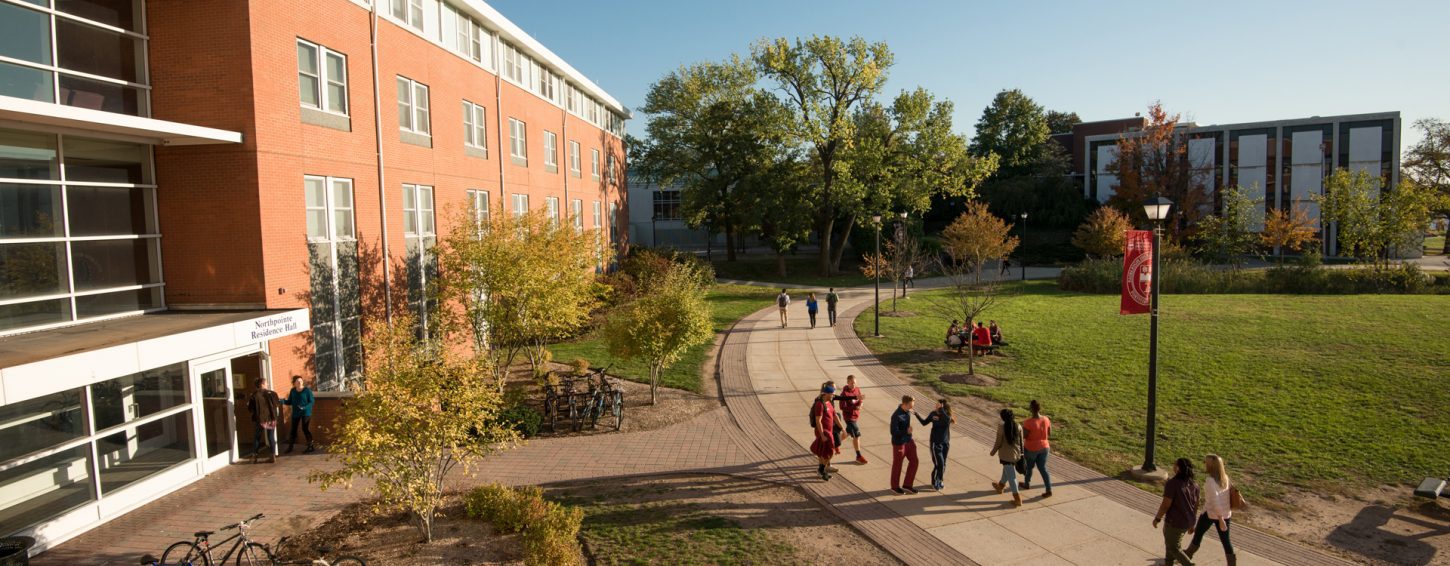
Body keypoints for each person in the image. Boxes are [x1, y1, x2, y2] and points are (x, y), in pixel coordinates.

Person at [1186, 455, 1236, 564]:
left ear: (1212, 466)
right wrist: (1222, 517)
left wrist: (1220, 518)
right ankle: (1232, 564)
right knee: (1226, 541)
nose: (1205, 464)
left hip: (1210, 514)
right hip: (1226, 513)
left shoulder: (1210, 481)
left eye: (1206, 463)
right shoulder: (1225, 478)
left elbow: (1215, 500)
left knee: (1198, 535)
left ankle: (1187, 556)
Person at [1153, 458, 1201, 566]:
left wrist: (1157, 518)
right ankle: (1168, 564)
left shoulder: (1172, 484)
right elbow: (1196, 505)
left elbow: (1165, 505)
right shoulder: (1195, 485)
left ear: (1178, 468)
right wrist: (1193, 523)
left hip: (1174, 522)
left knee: (1174, 547)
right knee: (1170, 543)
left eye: (1174, 465)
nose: (1173, 466)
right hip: (1187, 521)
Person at [914, 399, 954, 491]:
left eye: (938, 404)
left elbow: (947, 420)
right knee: (938, 463)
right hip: (935, 443)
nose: (936, 405)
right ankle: (934, 481)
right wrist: (916, 414)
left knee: (943, 464)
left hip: (945, 443)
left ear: (943, 406)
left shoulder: (946, 416)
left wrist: (942, 410)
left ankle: (940, 480)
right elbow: (924, 423)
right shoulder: (933, 414)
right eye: (936, 404)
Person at [989, 408, 1024, 507]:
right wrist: (1022, 454)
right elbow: (1021, 442)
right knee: (1007, 470)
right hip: (1016, 454)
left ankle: (1017, 499)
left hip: (1005, 455)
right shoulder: (1019, 426)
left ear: (1002, 417)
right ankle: (1000, 486)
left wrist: (993, 452)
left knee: (1012, 477)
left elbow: (998, 442)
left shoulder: (1001, 426)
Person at [246, 377, 282, 464]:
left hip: (260, 419)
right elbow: (277, 404)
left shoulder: (254, 395)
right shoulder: (273, 394)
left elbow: (250, 409)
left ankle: (254, 456)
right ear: (262, 384)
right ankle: (272, 455)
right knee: (271, 437)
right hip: (271, 418)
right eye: (266, 383)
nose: (268, 384)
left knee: (257, 437)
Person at [888, 395, 919, 494]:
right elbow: (893, 432)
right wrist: (906, 431)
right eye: (911, 405)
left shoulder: (907, 412)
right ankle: (895, 487)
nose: (912, 407)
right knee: (898, 465)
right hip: (899, 443)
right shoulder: (896, 415)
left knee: (914, 461)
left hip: (909, 441)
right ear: (905, 404)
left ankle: (907, 485)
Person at [1021, 399, 1052, 497]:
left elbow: (1024, 436)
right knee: (1043, 468)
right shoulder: (1046, 419)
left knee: (1029, 467)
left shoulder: (1028, 422)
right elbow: (1049, 433)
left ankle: (1027, 483)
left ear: (1031, 409)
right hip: (1045, 447)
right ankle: (1048, 489)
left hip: (1031, 448)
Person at [836, 375, 867, 464]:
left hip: (856, 416)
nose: (854, 384)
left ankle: (835, 443)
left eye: (855, 382)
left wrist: (860, 405)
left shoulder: (857, 389)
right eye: (852, 383)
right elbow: (842, 407)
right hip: (849, 417)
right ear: (848, 382)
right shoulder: (844, 394)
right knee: (856, 434)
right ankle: (858, 456)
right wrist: (854, 407)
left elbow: (860, 399)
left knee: (848, 432)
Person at [809, 384, 837, 481]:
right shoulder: (820, 404)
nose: (833, 396)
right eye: (832, 394)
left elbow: (834, 416)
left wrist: (842, 428)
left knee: (822, 453)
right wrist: (822, 435)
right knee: (830, 452)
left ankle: (821, 471)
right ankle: (821, 470)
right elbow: (818, 421)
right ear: (826, 394)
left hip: (829, 431)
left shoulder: (829, 403)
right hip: (824, 433)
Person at [281, 375, 316, 454]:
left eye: (301, 381)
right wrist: (283, 401)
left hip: (306, 413)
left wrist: (304, 407)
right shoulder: (293, 390)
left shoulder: (307, 390)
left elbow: (312, 401)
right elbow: (290, 401)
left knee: (305, 428)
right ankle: (290, 447)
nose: (300, 382)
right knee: (293, 430)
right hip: (296, 413)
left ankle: (310, 446)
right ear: (294, 383)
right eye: (298, 381)